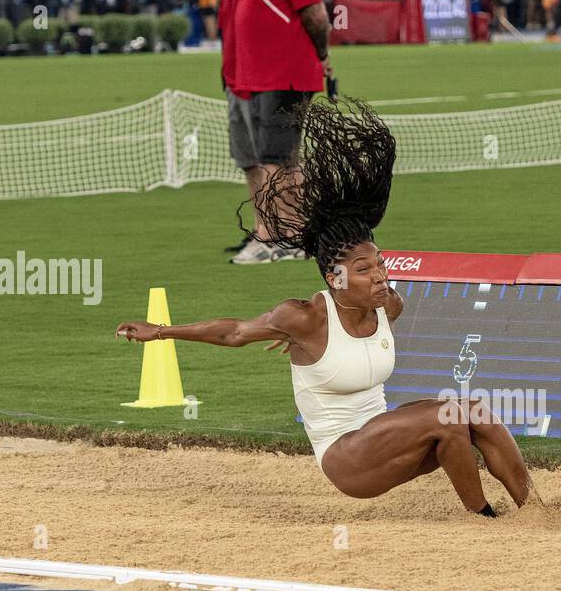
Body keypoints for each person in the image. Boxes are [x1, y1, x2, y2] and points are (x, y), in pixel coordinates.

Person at [117, 101, 536, 515]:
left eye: (380, 264)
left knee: (473, 414)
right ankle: (484, 516)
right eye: (364, 269)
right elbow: (235, 332)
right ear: (335, 279)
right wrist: (160, 331)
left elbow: (375, 321)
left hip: (386, 442)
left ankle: (534, 509)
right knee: (447, 418)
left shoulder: (389, 306)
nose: (380, 276)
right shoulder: (305, 317)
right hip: (346, 459)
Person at [221, 0, 330, 265]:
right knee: (282, 159)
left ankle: (273, 237)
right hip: (263, 75)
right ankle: (290, 233)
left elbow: (316, 15)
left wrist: (322, 54)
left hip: (286, 73)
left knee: (275, 159)